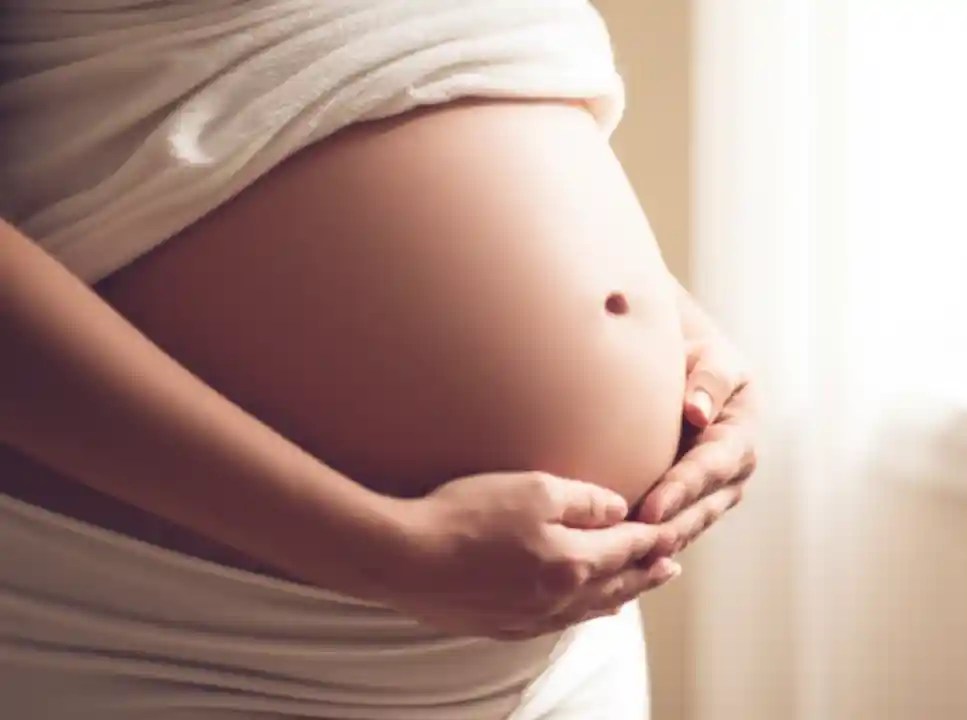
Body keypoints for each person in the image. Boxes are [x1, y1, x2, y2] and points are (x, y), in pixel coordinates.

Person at [0, 1, 757, 718]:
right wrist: (381, 550)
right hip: (196, 643)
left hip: (570, 648)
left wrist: (685, 342)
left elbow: (436, 68)